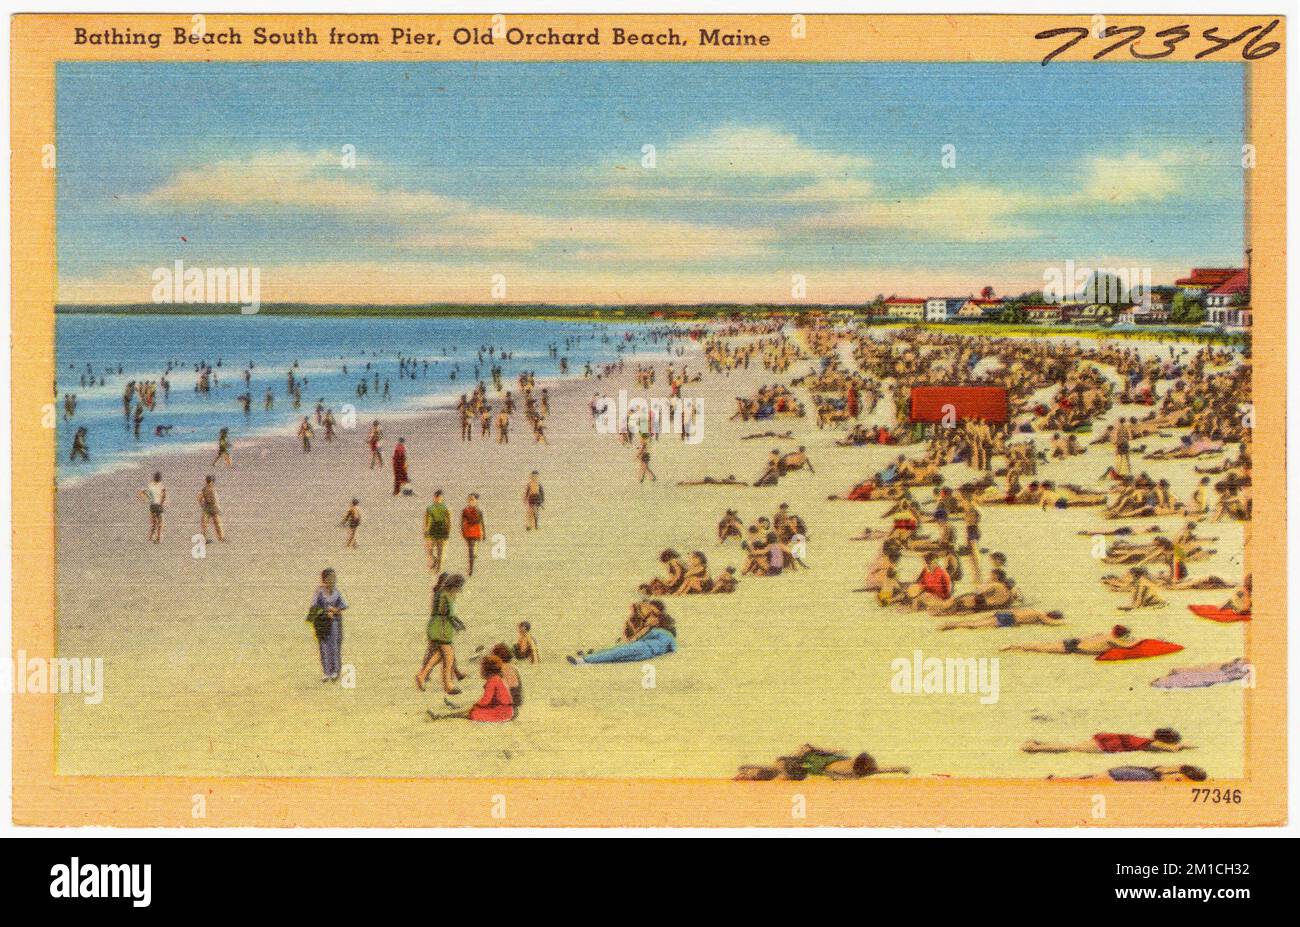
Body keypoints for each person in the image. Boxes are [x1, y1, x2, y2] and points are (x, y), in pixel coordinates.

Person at [416, 573, 467, 694]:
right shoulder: (446, 595)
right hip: (441, 628)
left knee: (440, 655)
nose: (460, 589)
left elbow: (449, 614)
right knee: (449, 656)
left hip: (438, 627)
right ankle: (448, 685)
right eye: (459, 586)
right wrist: (457, 624)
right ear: (455, 585)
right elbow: (447, 613)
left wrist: (458, 622)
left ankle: (422, 676)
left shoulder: (444, 593)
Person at [427, 656, 514, 723]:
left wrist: (475, 705)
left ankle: (442, 716)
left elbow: (485, 701)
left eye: (481, 668)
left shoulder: (492, 681)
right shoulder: (497, 679)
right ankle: (446, 714)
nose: (480, 671)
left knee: (473, 712)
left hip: (502, 713)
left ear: (487, 670)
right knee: (470, 709)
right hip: (506, 711)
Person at [307, 568, 348, 682]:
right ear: (324, 579)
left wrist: (335, 610)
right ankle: (326, 672)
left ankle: (335, 671)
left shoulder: (337, 592)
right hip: (323, 623)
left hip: (334, 623)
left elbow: (344, 605)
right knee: (324, 647)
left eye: (334, 577)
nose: (333, 580)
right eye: (330, 577)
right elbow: (313, 607)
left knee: (334, 647)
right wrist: (325, 611)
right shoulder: (319, 592)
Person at [1023, 729, 1190, 754]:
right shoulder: (1154, 744)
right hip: (1109, 744)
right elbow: (1173, 750)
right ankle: (1035, 748)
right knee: (1071, 747)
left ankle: (1039, 745)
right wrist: (1183, 746)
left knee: (1072, 746)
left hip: (1110, 739)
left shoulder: (1149, 740)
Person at [424, 490, 451, 570]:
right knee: (430, 549)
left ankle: (439, 567)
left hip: (442, 529)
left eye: (439, 497)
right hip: (432, 529)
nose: (437, 499)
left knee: (440, 550)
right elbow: (427, 520)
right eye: (436, 497)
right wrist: (426, 530)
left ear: (442, 498)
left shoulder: (445, 508)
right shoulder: (430, 508)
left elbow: (448, 521)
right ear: (434, 498)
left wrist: (448, 530)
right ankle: (434, 560)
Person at [491, 643, 523, 711]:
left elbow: (508, 688)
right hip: (516, 703)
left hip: (509, 705)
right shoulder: (512, 668)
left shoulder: (503, 668)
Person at [461, 494, 485, 576]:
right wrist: (462, 531)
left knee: (474, 550)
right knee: (470, 551)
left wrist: (484, 533)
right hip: (468, 531)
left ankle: (474, 554)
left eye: (473, 500)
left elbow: (482, 523)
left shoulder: (479, 511)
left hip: (476, 531)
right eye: (470, 500)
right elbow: (462, 522)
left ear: (476, 501)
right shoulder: (465, 510)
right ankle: (471, 569)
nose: (471, 501)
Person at [140, 471, 166, 543]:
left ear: (154, 478)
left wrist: (144, 499)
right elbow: (164, 496)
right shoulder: (162, 486)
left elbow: (144, 492)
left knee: (154, 523)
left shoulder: (150, 485)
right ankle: (158, 538)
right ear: (160, 478)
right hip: (159, 505)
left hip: (152, 506)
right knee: (160, 523)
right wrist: (162, 504)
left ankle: (150, 538)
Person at [198, 475, 225, 543]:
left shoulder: (205, 489)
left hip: (209, 507)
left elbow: (199, 498)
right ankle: (220, 538)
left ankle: (220, 538)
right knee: (211, 524)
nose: (209, 483)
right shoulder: (210, 489)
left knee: (211, 524)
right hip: (211, 507)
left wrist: (202, 505)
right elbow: (215, 500)